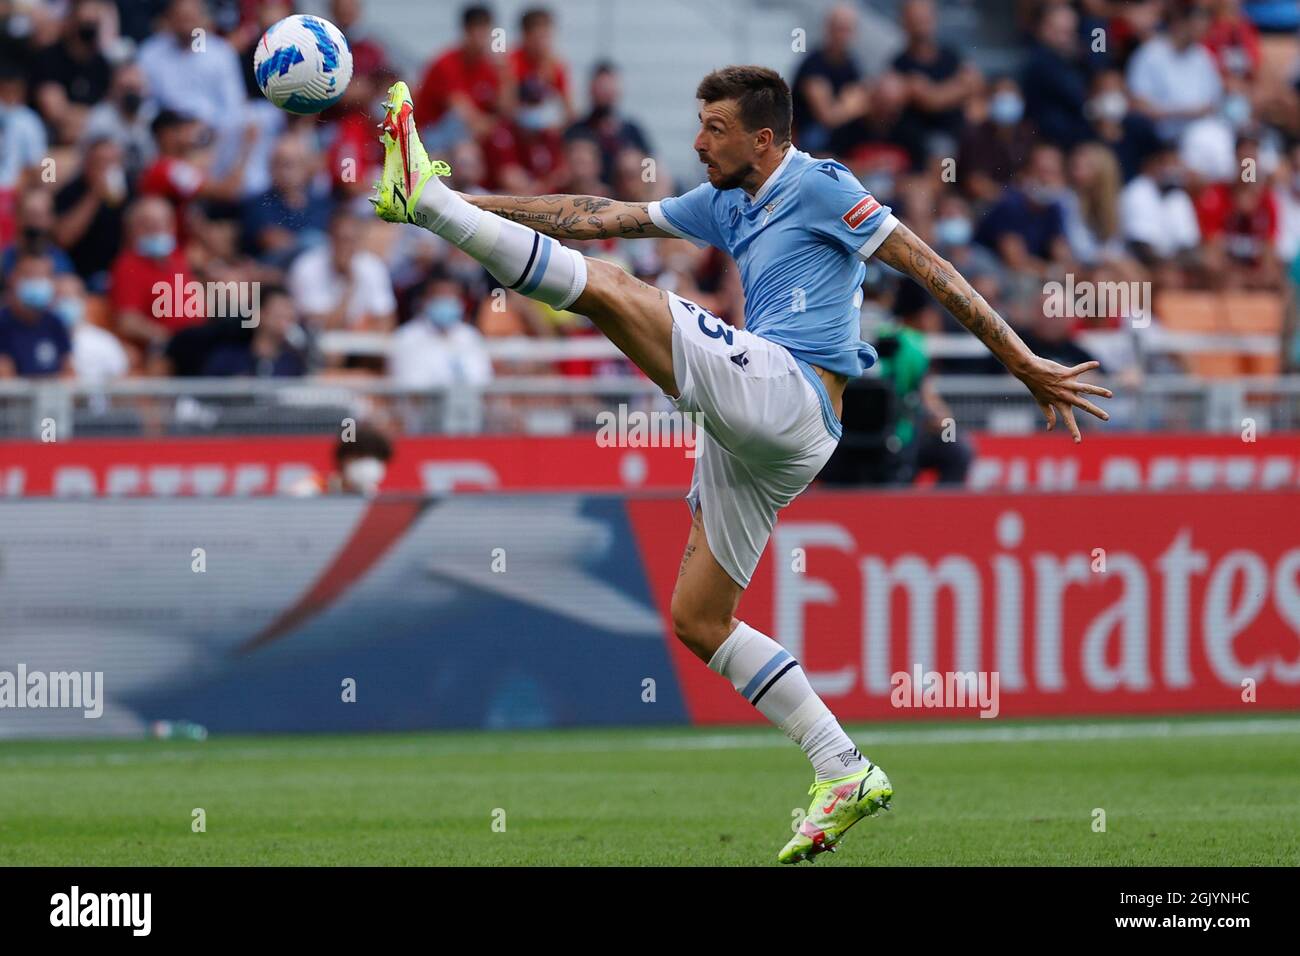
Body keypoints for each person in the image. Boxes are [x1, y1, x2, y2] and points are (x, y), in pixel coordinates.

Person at [369, 68, 1110, 863]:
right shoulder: (724, 201)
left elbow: (928, 266)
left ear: (764, 137)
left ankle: (430, 202)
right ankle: (843, 768)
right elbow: (593, 216)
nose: (696, 141)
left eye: (713, 127)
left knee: (613, 293)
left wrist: (1024, 359)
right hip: (757, 430)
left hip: (792, 396)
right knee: (697, 617)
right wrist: (459, 200)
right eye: (698, 124)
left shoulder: (823, 185)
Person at [0, 253, 72, 378]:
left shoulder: (55, 323)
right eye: (31, 275)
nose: (37, 282)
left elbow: (69, 372)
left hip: (53, 396)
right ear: (13, 278)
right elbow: (5, 376)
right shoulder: (3, 323)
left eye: (43, 276)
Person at [287, 422, 394, 496]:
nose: (368, 464)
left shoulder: (374, 497)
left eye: (375, 459)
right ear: (343, 459)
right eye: (360, 456)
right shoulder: (314, 487)